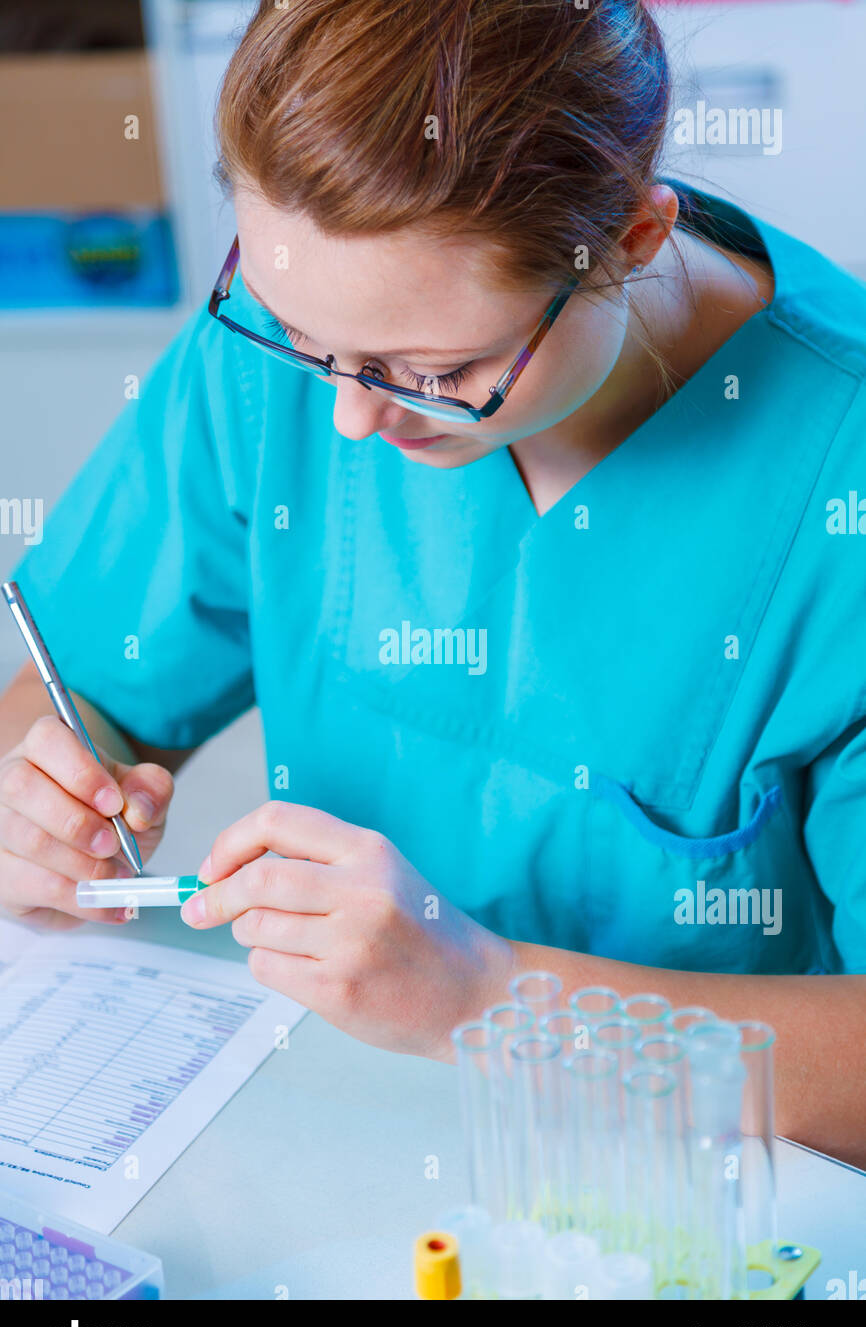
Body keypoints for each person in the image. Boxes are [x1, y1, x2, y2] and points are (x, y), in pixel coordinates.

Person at [1, 0, 865, 1164]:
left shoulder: (833, 484)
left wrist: (490, 1004)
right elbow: (83, 693)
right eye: (303, 341)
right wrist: (43, 807)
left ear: (629, 243)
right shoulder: (307, 333)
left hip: (686, 1201)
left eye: (435, 372)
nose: (351, 417)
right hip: (340, 1141)